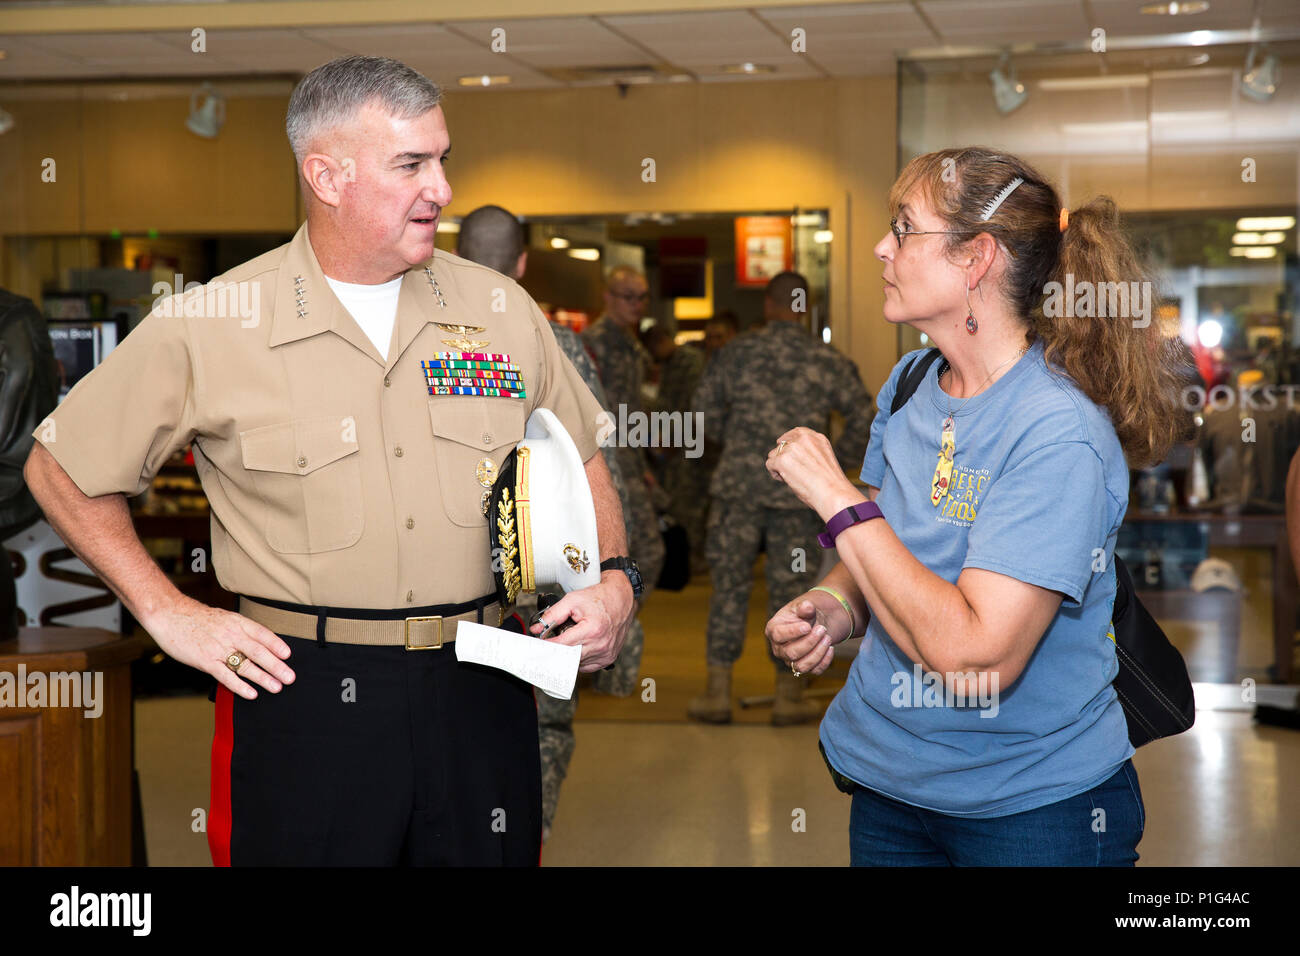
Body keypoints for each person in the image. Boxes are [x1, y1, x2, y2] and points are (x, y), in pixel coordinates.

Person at [23, 55, 637, 867]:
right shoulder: (214, 321)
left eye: (442, 158)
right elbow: (58, 467)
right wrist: (166, 612)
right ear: (327, 175)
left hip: (482, 683)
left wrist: (617, 578)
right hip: (302, 694)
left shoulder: (496, 308)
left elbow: (583, 453)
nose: (443, 189)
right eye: (412, 164)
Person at [764, 146, 1188, 865]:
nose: (880, 247)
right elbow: (886, 545)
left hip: (1031, 809)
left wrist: (833, 496)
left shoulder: (1059, 432)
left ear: (976, 258)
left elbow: (976, 658)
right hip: (888, 783)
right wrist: (834, 604)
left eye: (903, 229)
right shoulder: (910, 380)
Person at [456, 202, 642, 842]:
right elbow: (595, 462)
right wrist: (615, 578)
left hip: (435, 599)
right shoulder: (548, 339)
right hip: (535, 588)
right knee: (541, 729)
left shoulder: (418, 328)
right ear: (524, 262)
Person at [689, 271, 873, 725]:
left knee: (728, 589)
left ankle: (718, 692)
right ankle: (789, 696)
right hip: (798, 496)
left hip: (737, 493)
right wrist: (828, 467)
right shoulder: (824, 357)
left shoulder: (736, 353)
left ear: (769, 305)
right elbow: (866, 419)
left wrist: (734, 448)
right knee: (796, 594)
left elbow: (701, 416)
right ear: (804, 307)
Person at [581, 266, 667, 680]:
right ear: (608, 296)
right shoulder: (595, 342)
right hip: (604, 465)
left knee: (644, 555)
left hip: (629, 464)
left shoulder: (631, 345)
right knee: (626, 557)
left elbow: (631, 411)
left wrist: (644, 464)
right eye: (628, 296)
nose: (636, 305)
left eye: (642, 297)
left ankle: (608, 639)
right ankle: (602, 642)